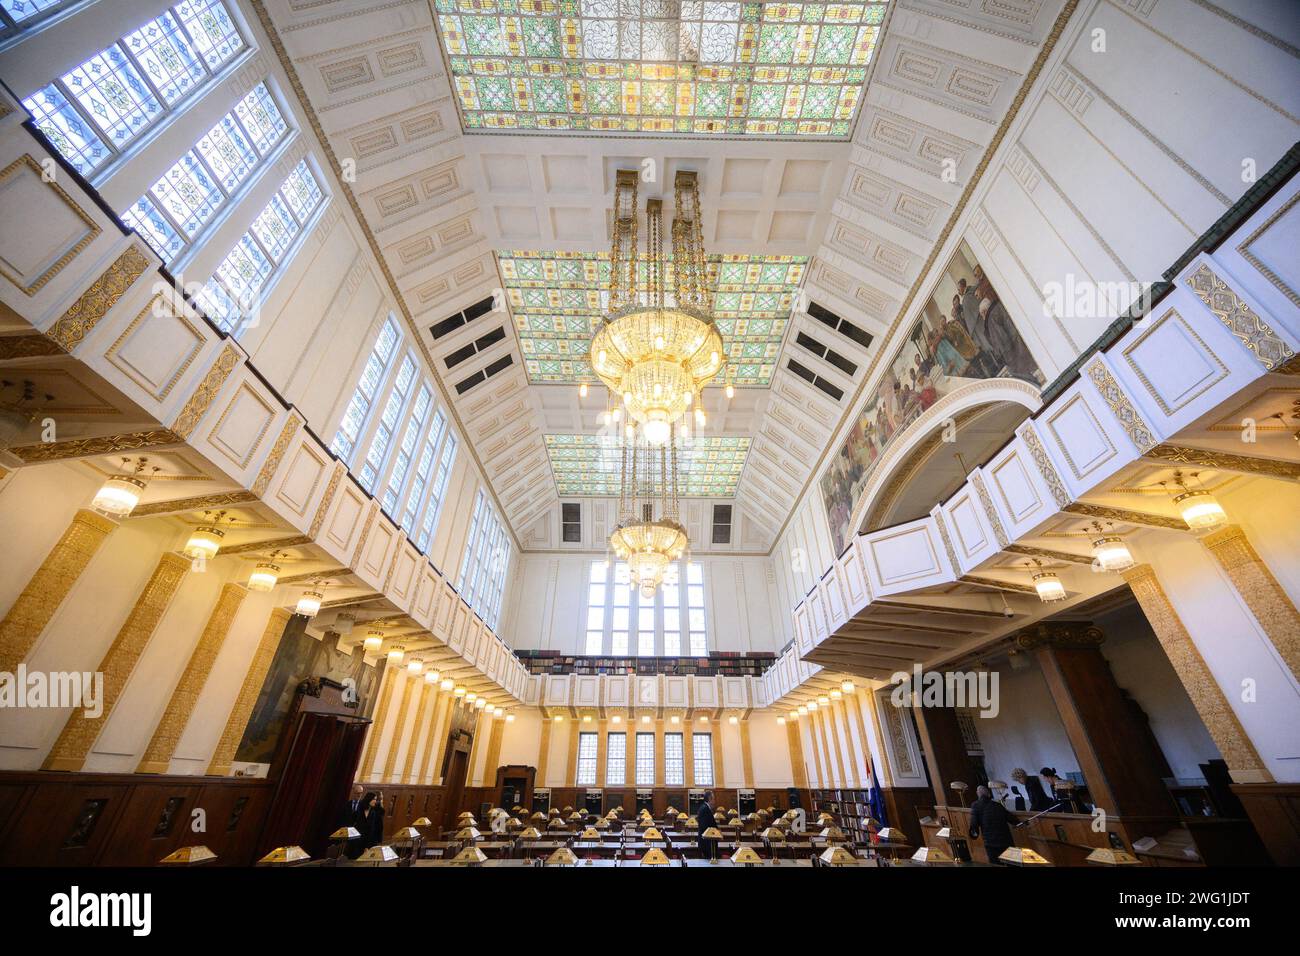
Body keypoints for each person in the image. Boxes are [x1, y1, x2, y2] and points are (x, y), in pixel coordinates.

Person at [968, 785, 1015, 864]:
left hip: (991, 842)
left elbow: (974, 823)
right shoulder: (998, 805)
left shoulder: (976, 805)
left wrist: (973, 834)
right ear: (988, 794)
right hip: (1006, 840)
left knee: (995, 863)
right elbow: (1011, 819)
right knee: (1012, 863)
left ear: (978, 794)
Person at [342, 783, 367, 859]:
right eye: (357, 793)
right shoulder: (347, 804)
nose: (359, 795)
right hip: (346, 833)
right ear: (354, 792)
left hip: (357, 835)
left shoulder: (364, 806)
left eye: (361, 793)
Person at [696, 790, 718, 858]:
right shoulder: (705, 809)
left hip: (708, 843)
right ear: (709, 799)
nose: (714, 801)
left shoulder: (704, 808)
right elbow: (705, 827)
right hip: (707, 844)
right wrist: (716, 831)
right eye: (713, 799)